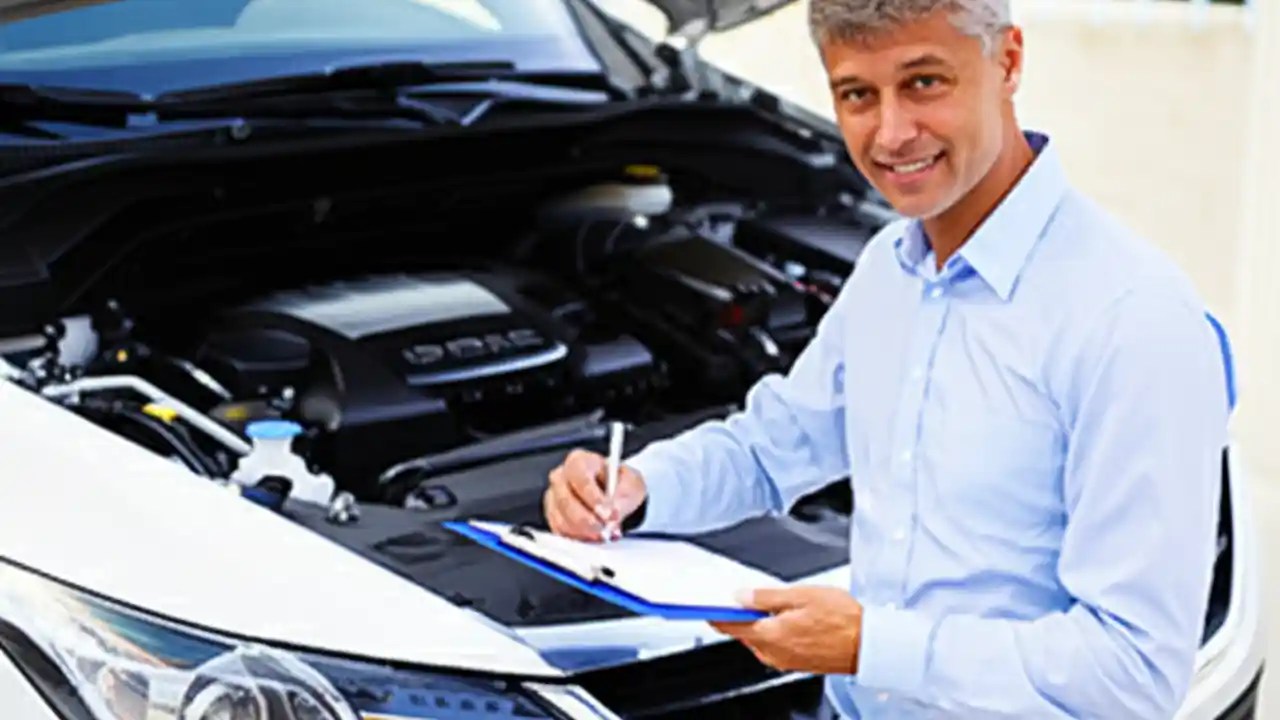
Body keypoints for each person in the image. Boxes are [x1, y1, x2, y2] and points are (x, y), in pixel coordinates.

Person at [542, 0, 1231, 717]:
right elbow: (772, 448)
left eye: (925, 82)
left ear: (1010, 61)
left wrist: (874, 644)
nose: (892, 134)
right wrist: (637, 489)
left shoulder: (1132, 319)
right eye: (857, 95)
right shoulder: (889, 269)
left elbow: (1132, 673)